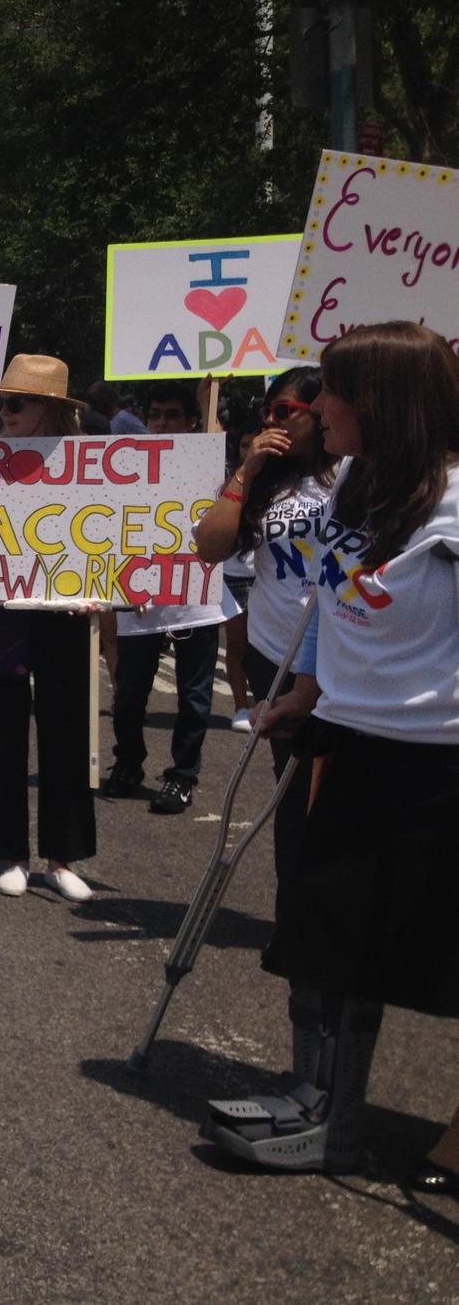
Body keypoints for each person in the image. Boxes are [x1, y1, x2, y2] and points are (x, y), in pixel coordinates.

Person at [203, 321, 459, 1183]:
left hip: (437, 761)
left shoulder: (454, 504)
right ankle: (327, 1111)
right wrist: (306, 689)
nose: (321, 407)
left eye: (337, 391)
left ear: (381, 404)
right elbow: (329, 597)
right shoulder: (353, 486)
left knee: (434, 946)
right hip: (347, 740)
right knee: (333, 934)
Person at [195, 370, 337, 882]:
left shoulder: (351, 473)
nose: (269, 422)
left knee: (339, 786)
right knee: (291, 781)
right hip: (276, 653)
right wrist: (247, 471)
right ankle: (294, 905)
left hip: (342, 654)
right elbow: (209, 547)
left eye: (282, 411)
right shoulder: (264, 483)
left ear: (318, 413)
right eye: (266, 412)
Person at [0, 355, 98, 901]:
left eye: (16, 404)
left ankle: (61, 857)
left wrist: (99, 588)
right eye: (1, 404)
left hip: (65, 615)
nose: (6, 413)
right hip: (2, 609)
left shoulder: (90, 461)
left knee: (67, 731)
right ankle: (12, 855)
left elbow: (110, 532)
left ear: (50, 408)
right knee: (2, 731)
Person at [100, 381, 238, 816]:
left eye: (172, 415)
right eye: (155, 414)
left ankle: (182, 775)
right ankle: (129, 761)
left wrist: (207, 397)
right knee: (127, 694)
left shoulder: (210, 467)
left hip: (193, 599)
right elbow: (110, 530)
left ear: (192, 421)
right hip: (139, 599)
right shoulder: (124, 466)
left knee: (194, 696)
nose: (161, 422)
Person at [217, 411, 264, 731]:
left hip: (265, 579)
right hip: (234, 578)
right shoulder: (230, 481)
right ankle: (240, 706)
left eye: (256, 444)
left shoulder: (283, 483)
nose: (251, 451)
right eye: (246, 445)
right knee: (237, 645)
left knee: (263, 648)